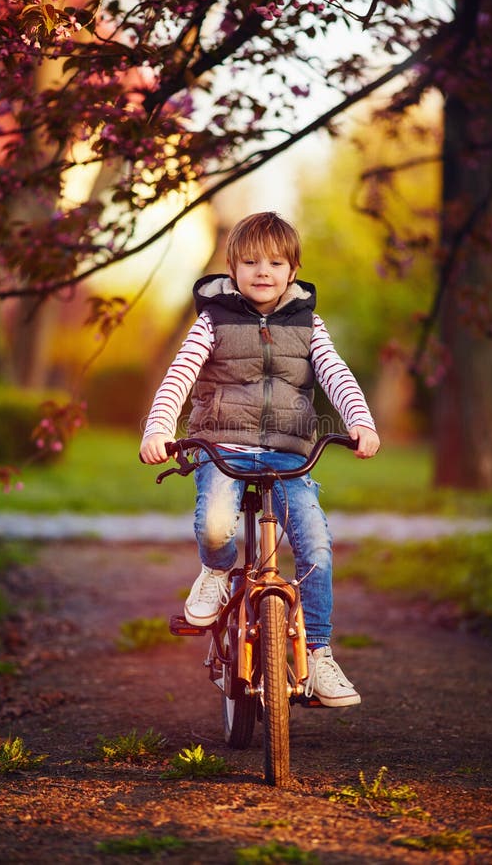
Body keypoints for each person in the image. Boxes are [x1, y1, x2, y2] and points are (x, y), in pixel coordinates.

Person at [140, 211, 380, 707]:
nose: (263, 271)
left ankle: (318, 654)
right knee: (215, 524)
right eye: (250, 262)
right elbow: (180, 374)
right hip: (223, 446)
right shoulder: (213, 321)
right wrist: (160, 427)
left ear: (293, 270)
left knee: (315, 544)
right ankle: (215, 574)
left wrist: (359, 421)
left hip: (289, 455)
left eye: (275, 262)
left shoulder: (308, 325)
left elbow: (336, 373)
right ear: (232, 270)